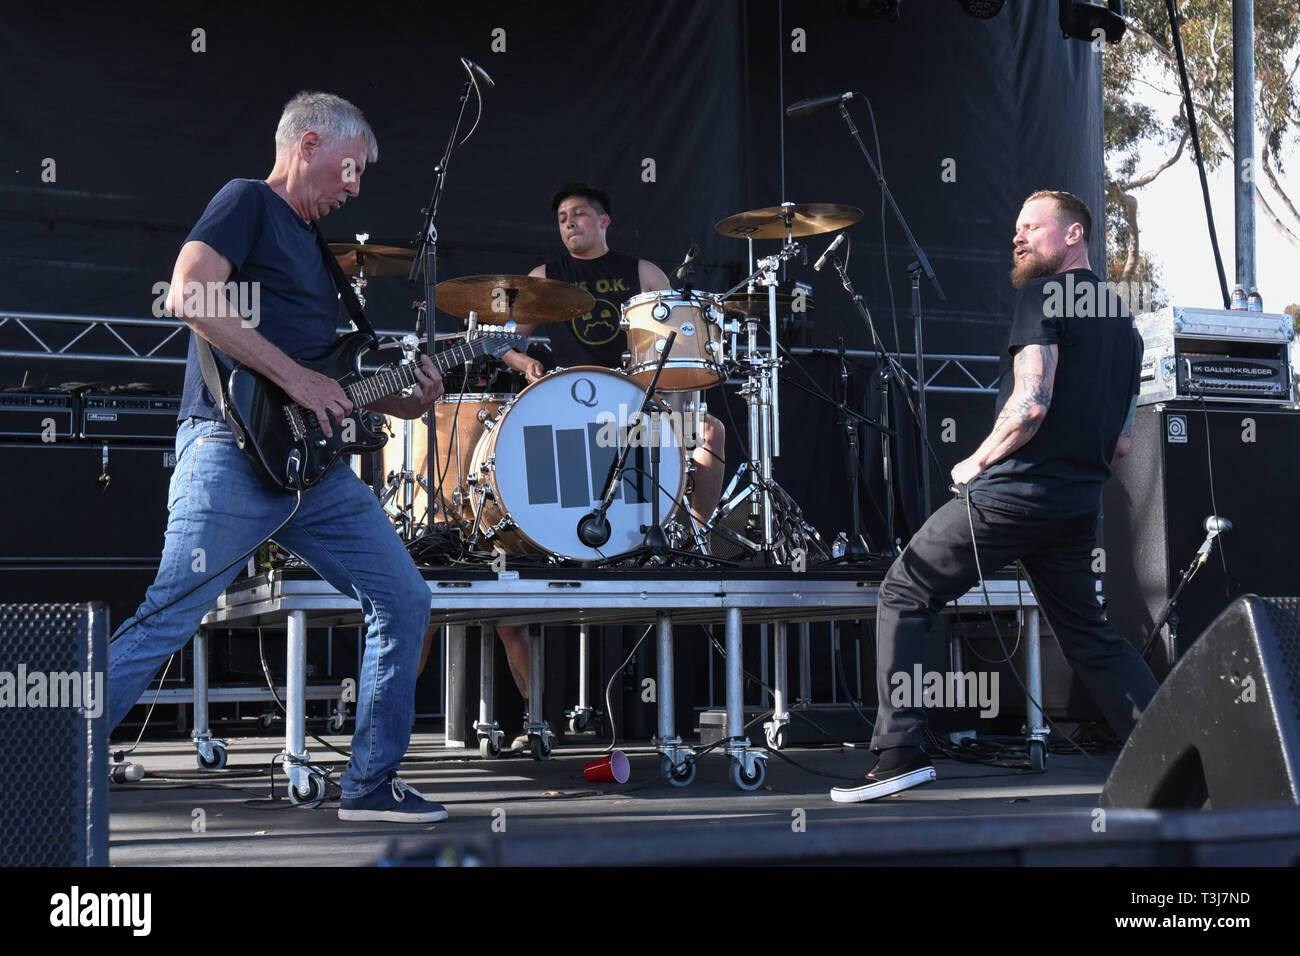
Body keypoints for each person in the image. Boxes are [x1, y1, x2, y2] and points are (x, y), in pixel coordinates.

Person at [107, 92, 451, 823]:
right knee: (167, 618)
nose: (356, 188)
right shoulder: (247, 203)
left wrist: (407, 401)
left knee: (405, 598)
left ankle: (368, 784)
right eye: (351, 170)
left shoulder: (315, 251)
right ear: (310, 144)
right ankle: (34, 751)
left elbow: (332, 382)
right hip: (231, 451)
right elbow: (189, 293)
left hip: (309, 471)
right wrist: (296, 378)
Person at [830, 189, 1159, 803]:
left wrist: (976, 460)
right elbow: (1120, 445)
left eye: (1033, 227)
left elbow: (1031, 401)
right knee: (1089, 635)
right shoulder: (1123, 324)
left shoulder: (1044, 296)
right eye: (1015, 228)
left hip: (1015, 493)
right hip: (1076, 504)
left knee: (905, 590)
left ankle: (899, 752)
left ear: (1073, 236)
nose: (1018, 237)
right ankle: (1173, 755)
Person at [491, 182, 726, 729]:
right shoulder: (544, 277)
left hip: (638, 403)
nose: (569, 223)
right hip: (572, 407)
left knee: (710, 433)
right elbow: (502, 339)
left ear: (604, 221)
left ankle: (693, 535)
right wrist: (525, 365)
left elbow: (678, 348)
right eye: (562, 218)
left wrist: (678, 405)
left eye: (578, 215)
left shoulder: (642, 274)